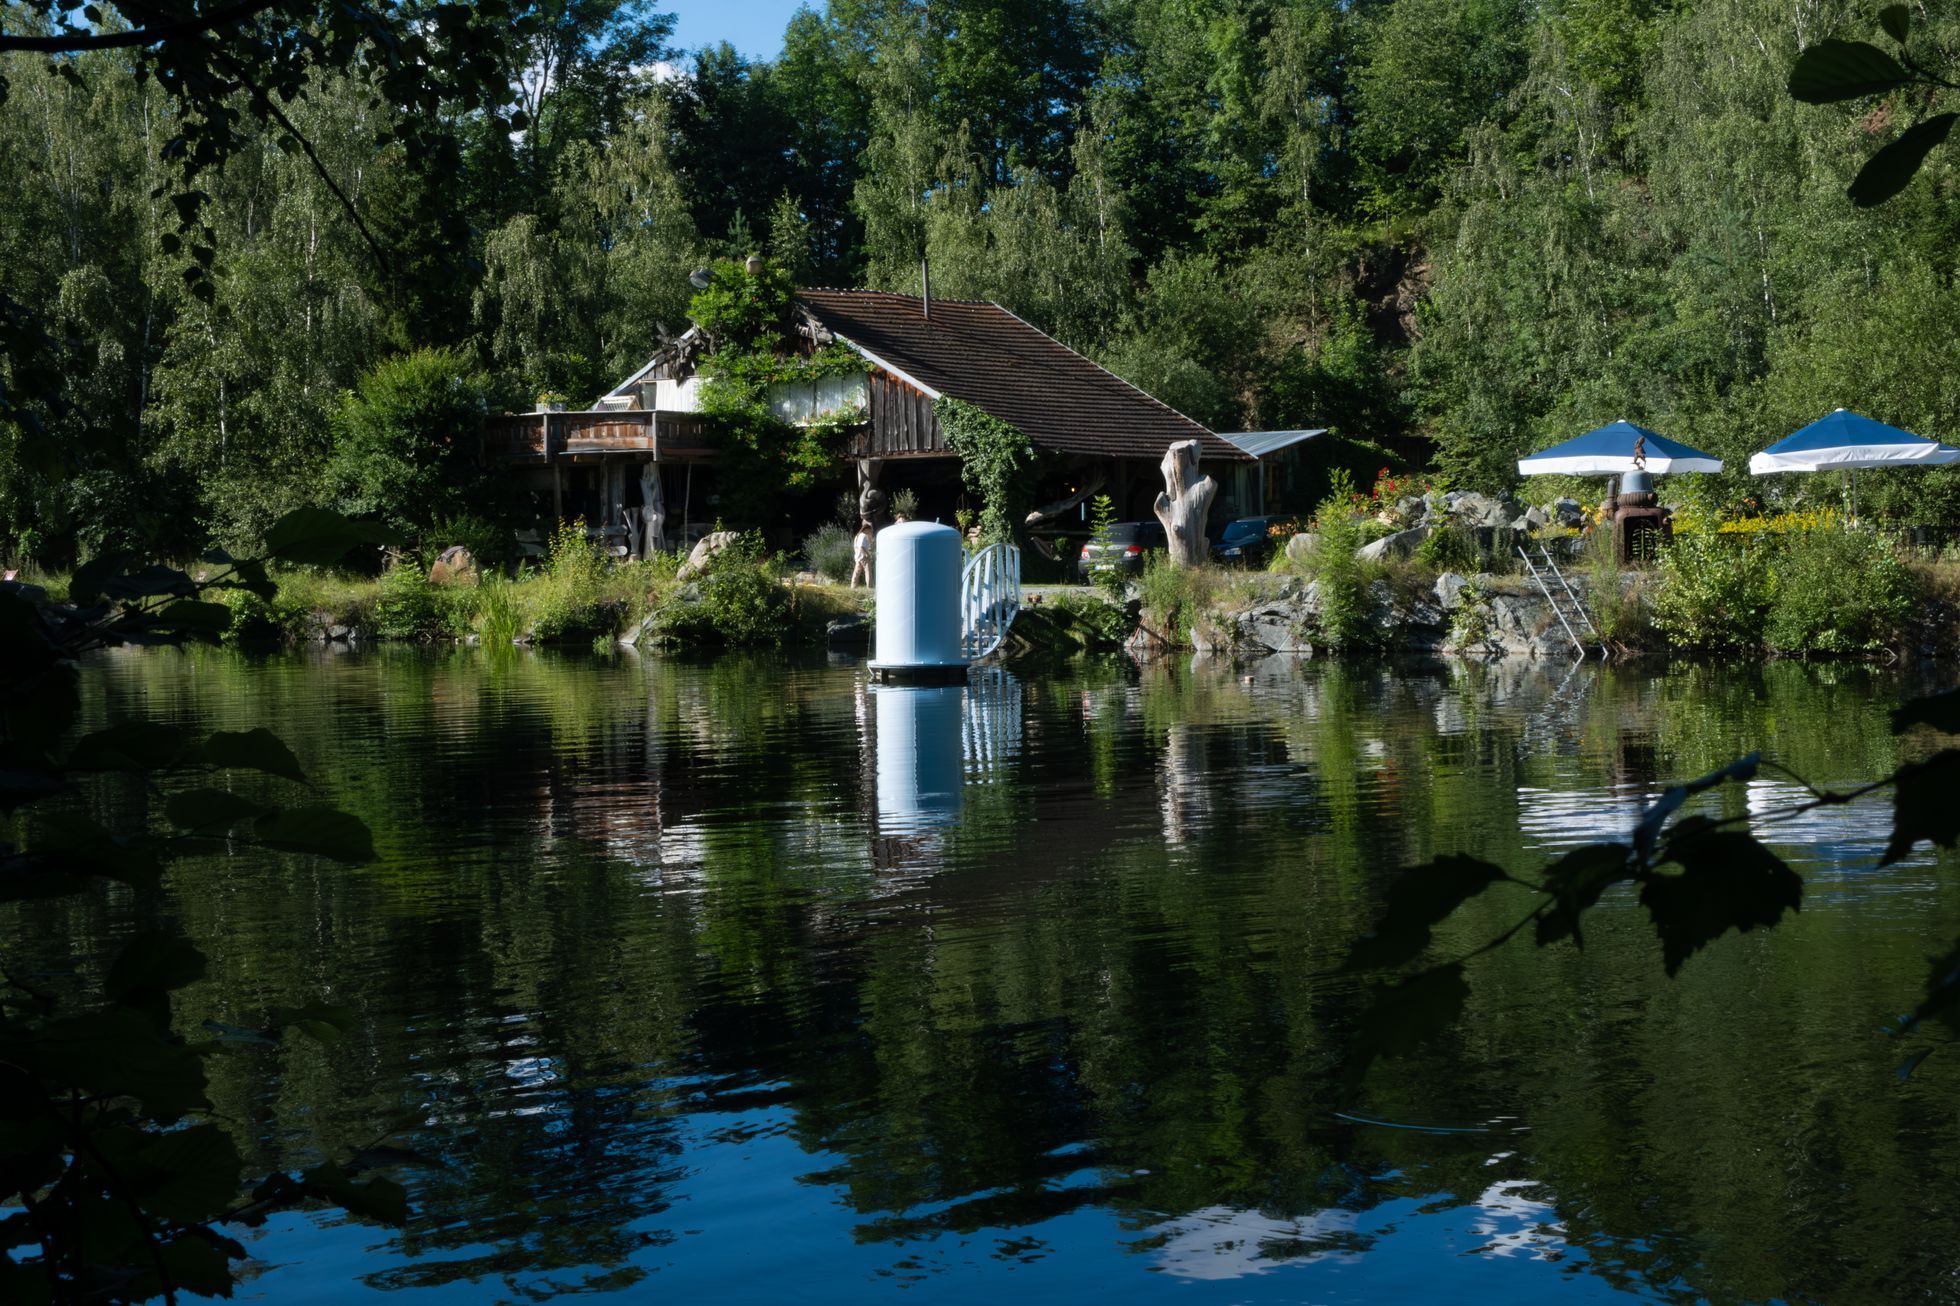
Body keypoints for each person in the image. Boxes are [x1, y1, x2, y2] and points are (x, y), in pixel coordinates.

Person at [851, 519, 874, 588]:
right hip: (864, 557)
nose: (870, 532)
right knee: (868, 573)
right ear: (866, 529)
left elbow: (856, 547)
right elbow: (861, 547)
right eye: (870, 530)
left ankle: (853, 587)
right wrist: (867, 554)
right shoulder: (863, 536)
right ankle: (869, 587)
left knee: (856, 573)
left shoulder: (857, 536)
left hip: (858, 557)